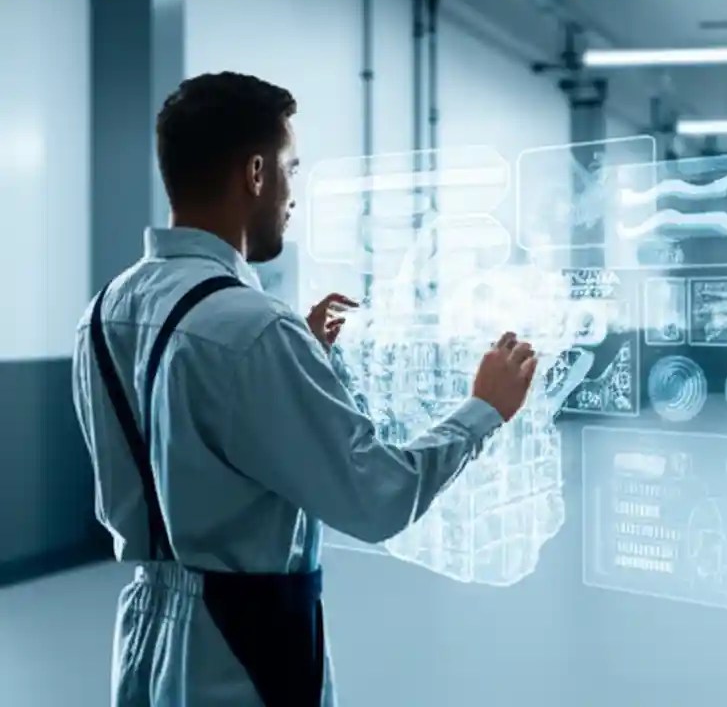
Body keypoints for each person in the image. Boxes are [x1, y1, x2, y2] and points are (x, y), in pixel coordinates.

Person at [71, 72, 538, 706]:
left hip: (145, 641)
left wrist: (301, 359)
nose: (294, 194)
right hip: (244, 652)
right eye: (293, 168)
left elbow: (177, 428)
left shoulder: (104, 311)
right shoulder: (254, 330)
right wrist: (484, 408)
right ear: (256, 173)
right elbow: (379, 497)